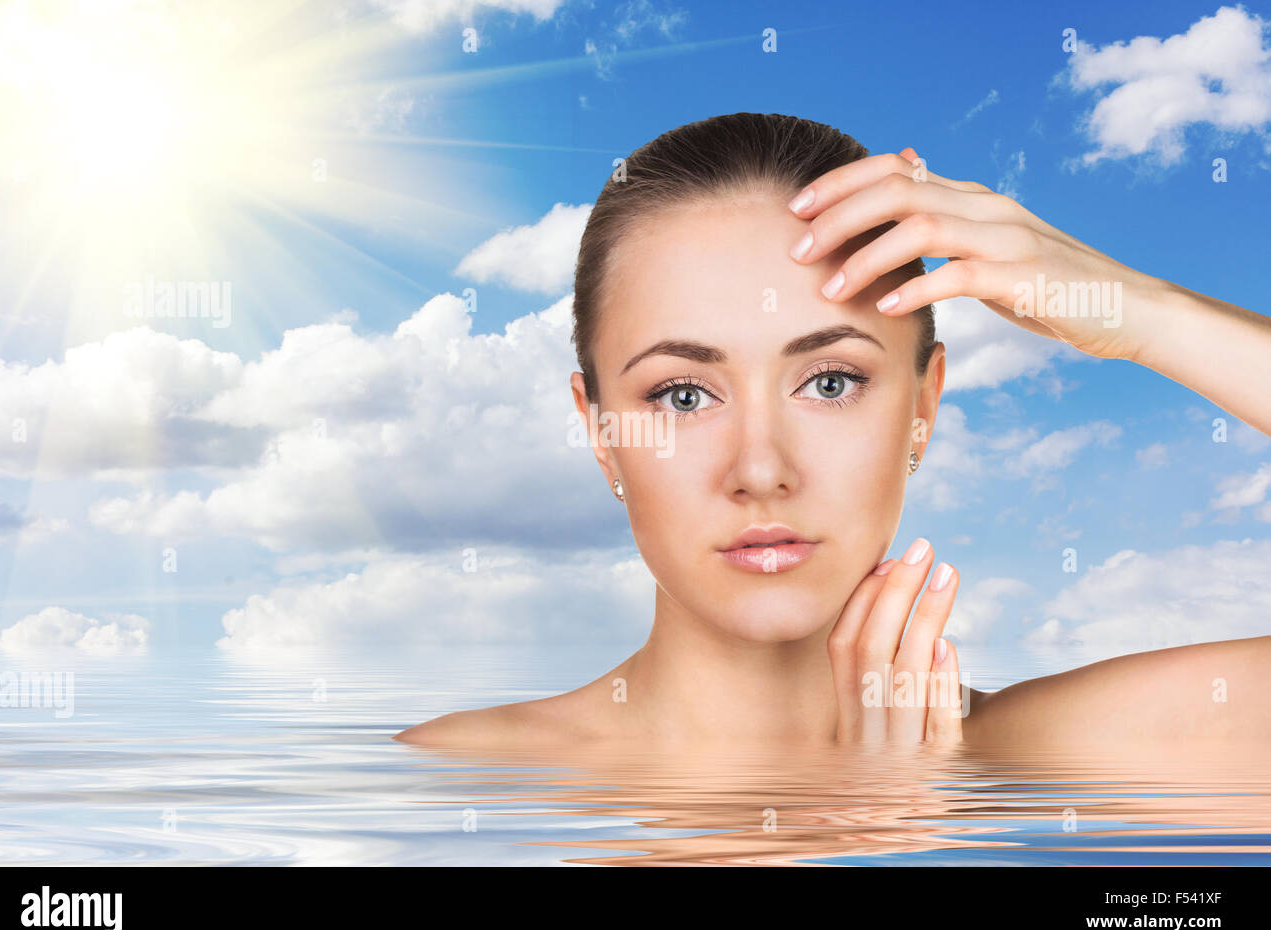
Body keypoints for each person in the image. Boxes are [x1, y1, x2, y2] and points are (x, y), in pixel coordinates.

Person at [396, 113, 1271, 755]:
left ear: (923, 406)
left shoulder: (1061, 758)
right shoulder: (458, 778)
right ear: (601, 431)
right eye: (684, 396)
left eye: (828, 381)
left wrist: (1141, 312)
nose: (762, 470)